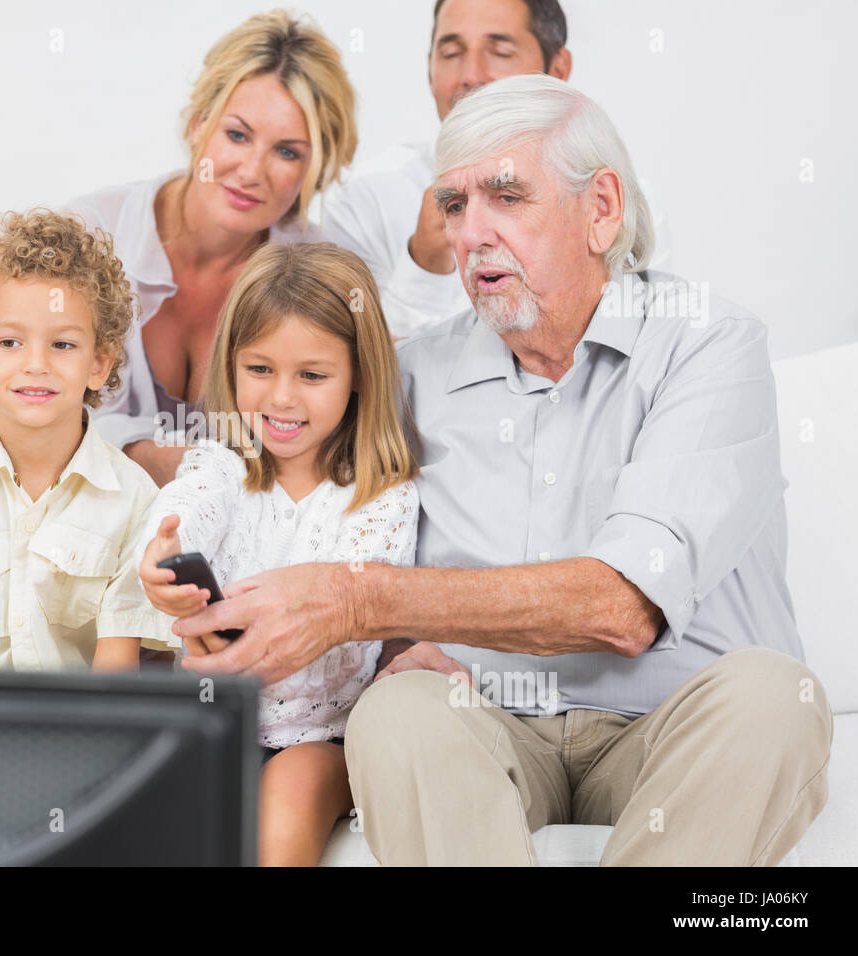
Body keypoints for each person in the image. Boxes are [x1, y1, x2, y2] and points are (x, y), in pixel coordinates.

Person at [171, 75, 832, 866]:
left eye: (506, 197)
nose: (472, 234)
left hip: (669, 729)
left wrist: (360, 602)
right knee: (397, 712)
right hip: (488, 726)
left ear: (603, 209)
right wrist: (186, 551)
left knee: (772, 700)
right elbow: (284, 480)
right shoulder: (410, 376)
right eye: (454, 206)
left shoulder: (709, 348)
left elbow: (623, 605)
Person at [138, 243, 419, 866]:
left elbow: (349, 623)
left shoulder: (381, 496)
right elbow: (186, 510)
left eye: (312, 376)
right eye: (259, 369)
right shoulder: (220, 464)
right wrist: (164, 555)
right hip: (218, 720)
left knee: (284, 813)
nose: (282, 399)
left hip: (322, 736)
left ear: (358, 377)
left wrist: (239, 640)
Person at [66, 9, 357, 487]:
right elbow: (47, 414)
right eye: (237, 134)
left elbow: (353, 428)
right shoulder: (90, 235)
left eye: (287, 151)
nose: (251, 171)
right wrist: (172, 462)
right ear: (199, 123)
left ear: (315, 168)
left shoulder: (326, 270)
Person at [0, 210, 176, 671]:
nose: (35, 363)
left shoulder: (136, 502)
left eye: (62, 344)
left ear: (99, 362)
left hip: (81, 738)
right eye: (9, 343)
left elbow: (112, 689)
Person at [320, 0, 671, 338]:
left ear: (558, 71)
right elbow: (362, 375)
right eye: (451, 54)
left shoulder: (611, 200)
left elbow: (632, 353)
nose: (471, 76)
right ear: (429, 70)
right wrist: (424, 264)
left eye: (500, 52)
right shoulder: (364, 198)